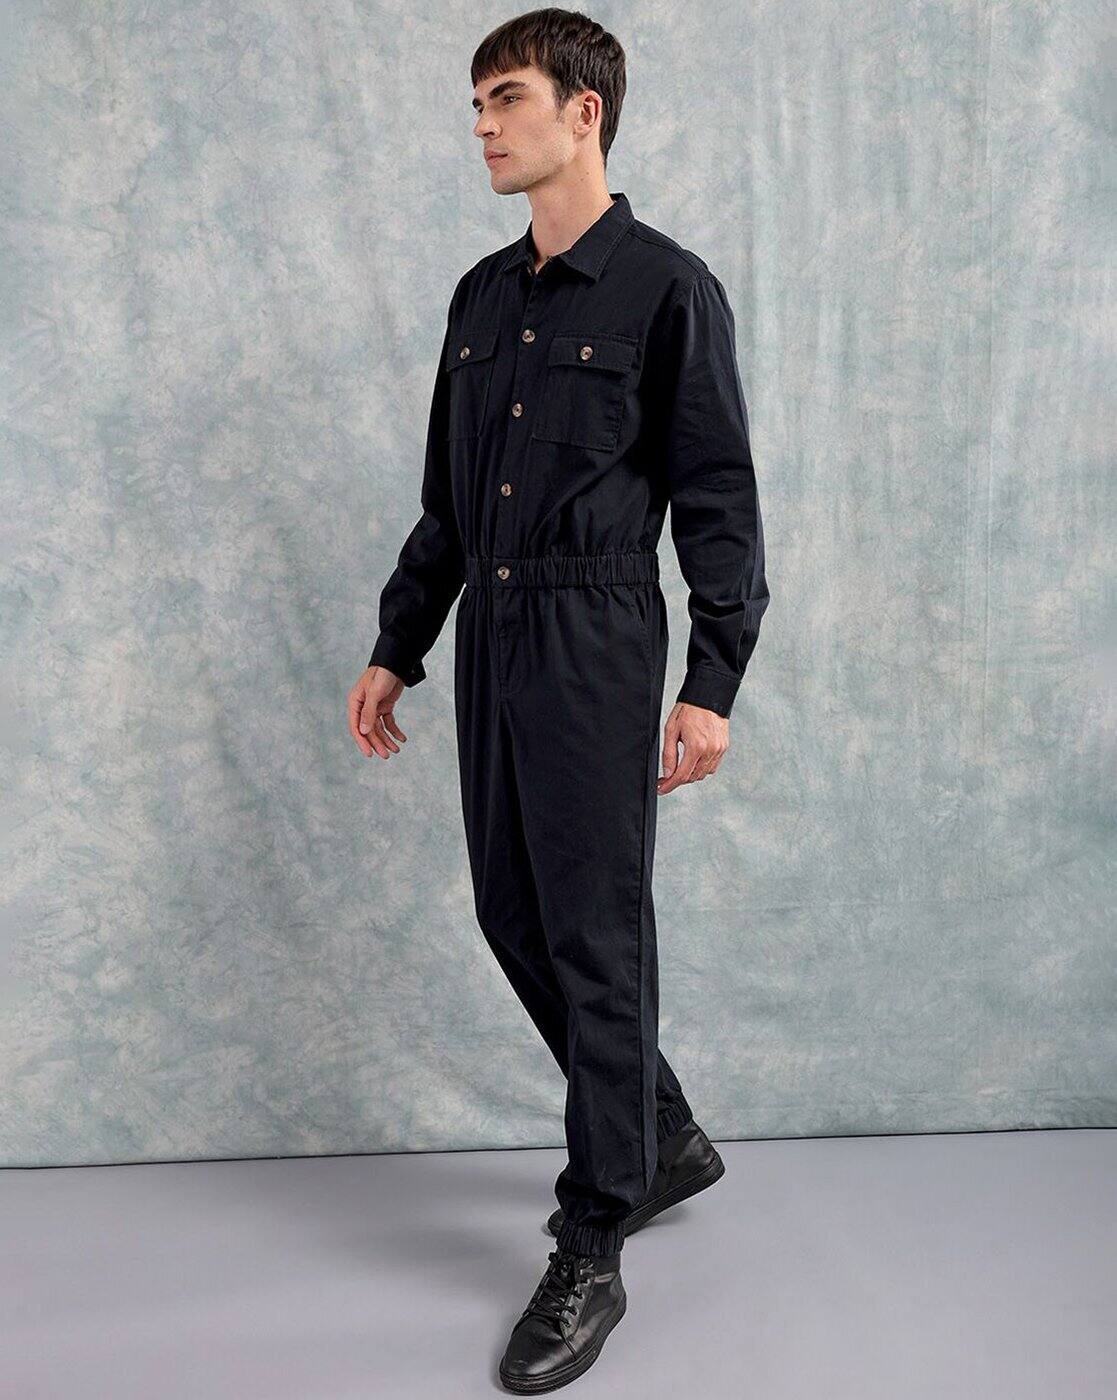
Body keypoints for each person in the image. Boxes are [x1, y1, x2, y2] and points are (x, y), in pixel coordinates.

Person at [348, 9, 769, 1392]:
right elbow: (448, 503)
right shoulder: (480, 299)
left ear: (583, 112)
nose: (481, 124)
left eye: (505, 97)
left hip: (597, 631)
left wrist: (711, 682)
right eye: (476, 102)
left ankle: (595, 1233)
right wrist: (399, 643)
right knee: (512, 912)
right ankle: (660, 1134)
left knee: (595, 931)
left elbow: (717, 498)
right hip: (494, 628)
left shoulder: (666, 289)